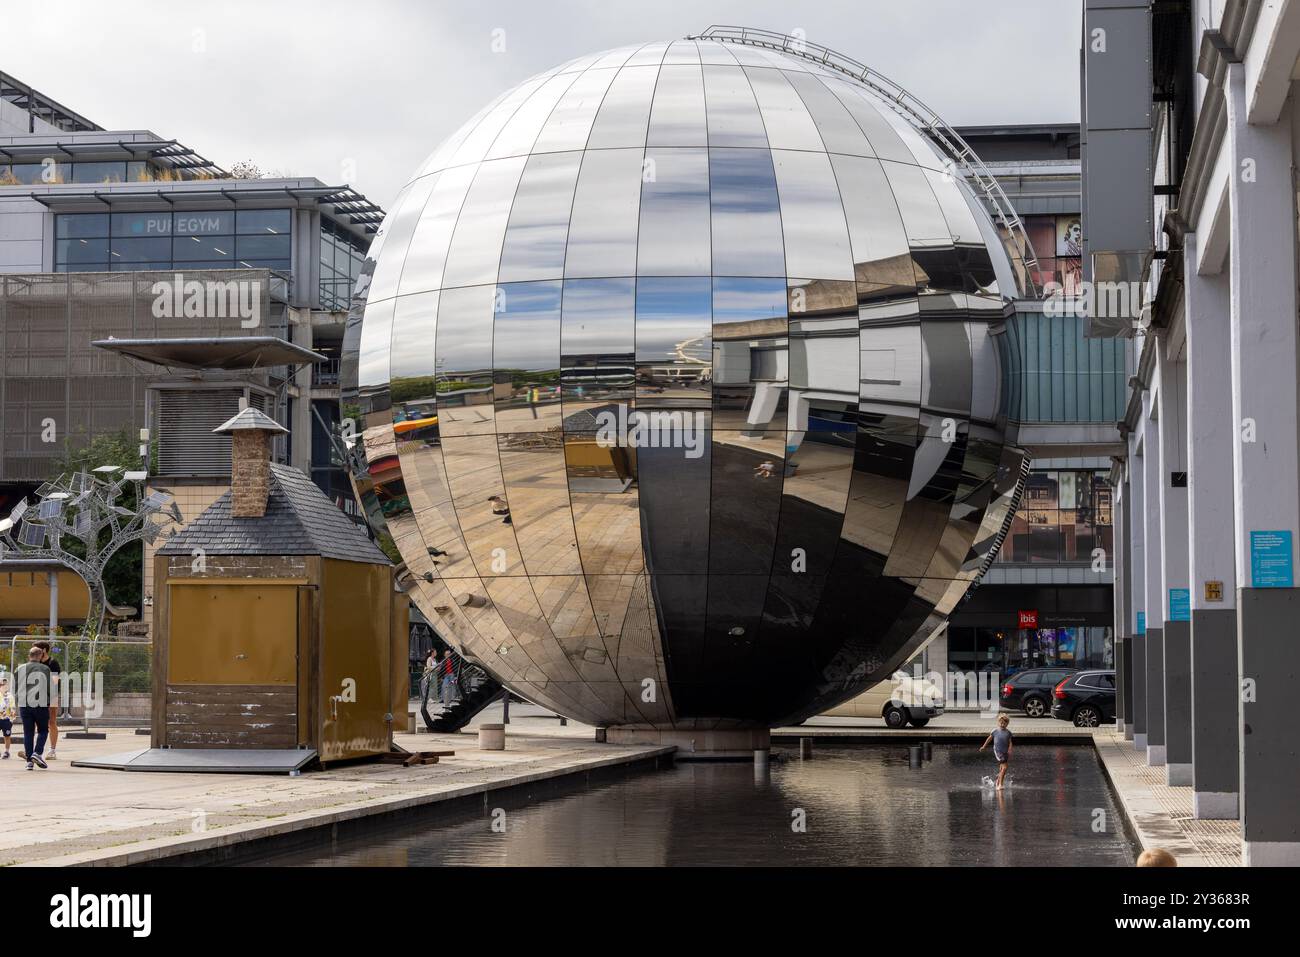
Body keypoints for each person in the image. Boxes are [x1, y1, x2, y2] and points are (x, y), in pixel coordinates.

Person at [14, 647, 51, 770]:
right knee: (43, 730)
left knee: (28, 733)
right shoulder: (45, 669)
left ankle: (29, 761)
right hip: (40, 703)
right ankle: (37, 753)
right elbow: (49, 687)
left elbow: (16, 688)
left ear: (29, 655)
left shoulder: (19, 669)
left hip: (24, 704)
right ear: (40, 656)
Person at [33, 641, 61, 759]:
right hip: (36, 696)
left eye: (36, 650)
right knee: (34, 723)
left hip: (51, 696)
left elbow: (55, 681)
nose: (34, 652)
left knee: (51, 722)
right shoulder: (35, 662)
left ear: (44, 650)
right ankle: (33, 750)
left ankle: (52, 751)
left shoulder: (53, 663)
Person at [980, 713, 1014, 790]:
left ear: (1007, 724)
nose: (1002, 724)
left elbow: (1010, 742)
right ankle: (1000, 785)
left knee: (1002, 768)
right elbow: (989, 739)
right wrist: (984, 746)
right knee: (1005, 767)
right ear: (998, 722)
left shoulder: (1008, 733)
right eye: (1001, 723)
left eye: (1004, 723)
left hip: (1005, 752)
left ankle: (998, 781)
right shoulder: (995, 731)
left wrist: (1010, 749)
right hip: (998, 751)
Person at [0, 672, 16, 759]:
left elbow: (12, 707)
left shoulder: (10, 696)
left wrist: (12, 719)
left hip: (6, 719)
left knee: (7, 735)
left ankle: (7, 751)